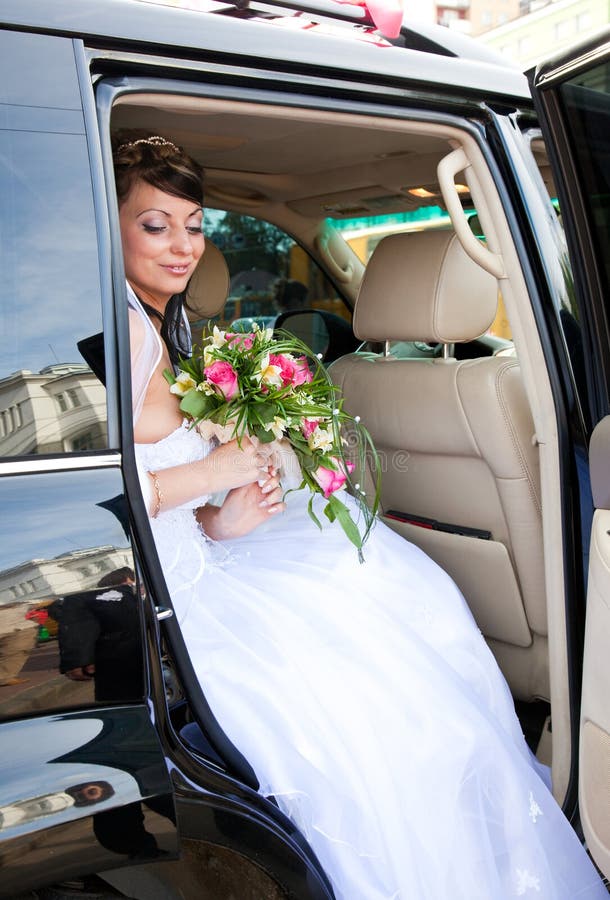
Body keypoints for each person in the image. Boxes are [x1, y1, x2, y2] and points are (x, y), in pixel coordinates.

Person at [116, 134, 607, 899]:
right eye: (156, 225)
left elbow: (163, 502)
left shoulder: (156, 326)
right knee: (377, 693)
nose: (183, 248)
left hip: (195, 562)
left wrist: (224, 518)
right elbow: (103, 489)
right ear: (110, 224)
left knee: (381, 584)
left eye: (194, 225)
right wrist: (213, 471)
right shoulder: (117, 330)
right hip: (174, 603)